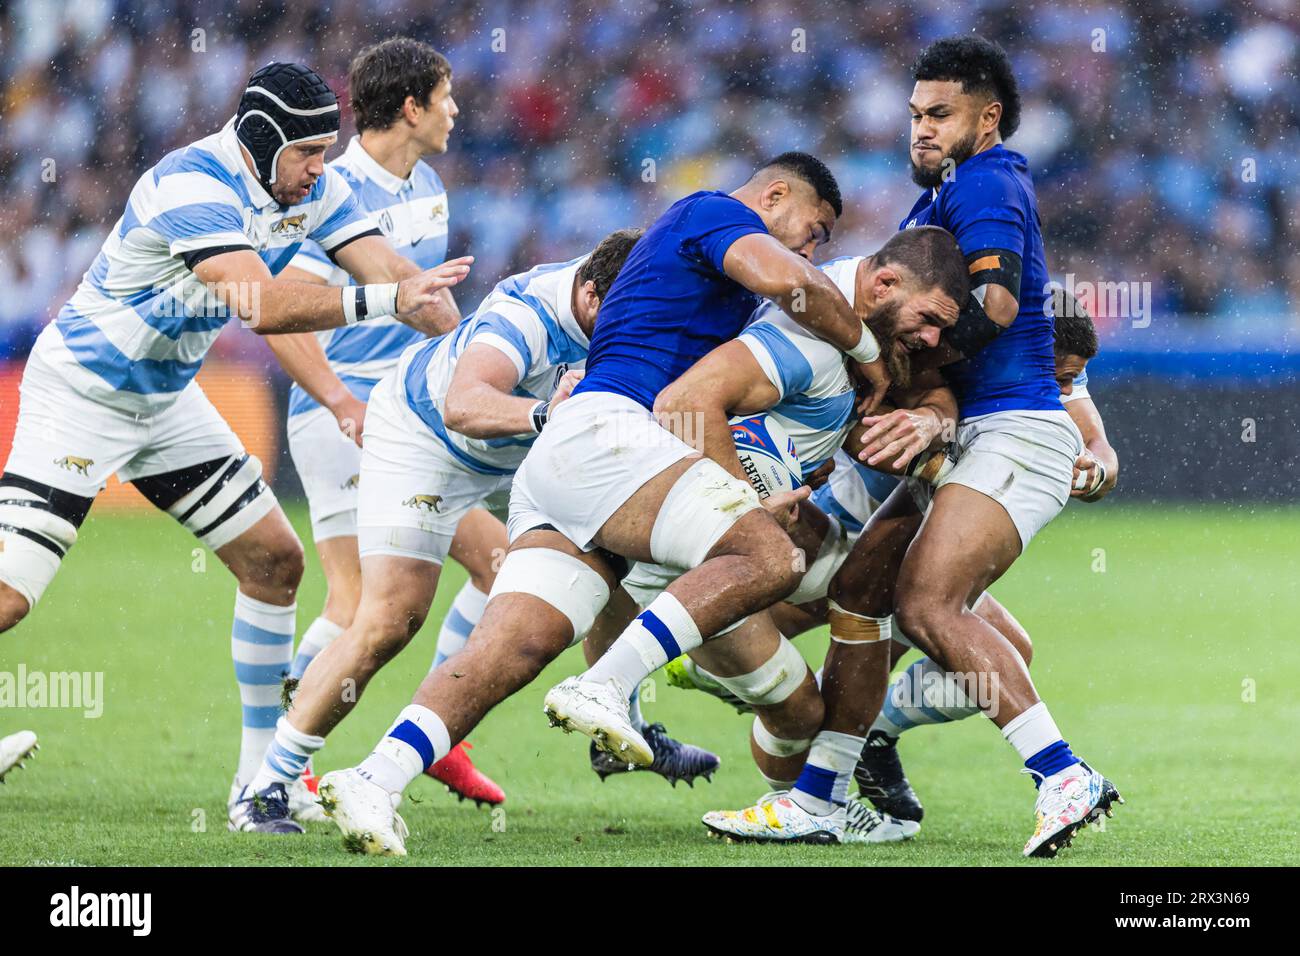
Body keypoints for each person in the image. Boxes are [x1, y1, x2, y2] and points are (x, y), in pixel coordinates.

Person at [314, 156, 966, 857]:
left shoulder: (719, 280)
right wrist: (865, 347)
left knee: (513, 648)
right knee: (768, 552)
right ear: (774, 195)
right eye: (812, 229)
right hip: (613, 434)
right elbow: (795, 283)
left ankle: (374, 778)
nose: (811, 248)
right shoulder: (712, 212)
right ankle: (609, 685)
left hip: (571, 460)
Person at [0, 61, 471, 835]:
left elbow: (387, 266)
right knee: (12, 597)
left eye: (328, 151)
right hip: (81, 396)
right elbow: (259, 303)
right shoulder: (191, 184)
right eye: (309, 153)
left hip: (163, 398)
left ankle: (256, 790)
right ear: (259, 139)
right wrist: (386, 300)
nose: (324, 168)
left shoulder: (307, 184)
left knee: (274, 563)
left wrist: (478, 348)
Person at [711, 37, 1122, 858]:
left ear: (988, 118)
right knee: (861, 596)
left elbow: (998, 305)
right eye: (914, 115)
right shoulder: (946, 194)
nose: (921, 130)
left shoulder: (988, 179)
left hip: (1011, 430)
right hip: (977, 438)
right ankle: (821, 799)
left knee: (929, 606)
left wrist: (904, 380)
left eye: (940, 115)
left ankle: (1061, 774)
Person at [241, 231, 660, 839]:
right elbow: (465, 406)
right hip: (426, 439)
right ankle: (269, 784)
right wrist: (551, 414)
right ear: (592, 298)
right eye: (626, 320)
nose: (638, 335)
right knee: (389, 619)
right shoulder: (527, 315)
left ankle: (618, 715)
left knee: (604, 559)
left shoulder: (629, 292)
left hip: (520, 455)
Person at [584, 230, 967, 844]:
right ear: (885, 283)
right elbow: (684, 402)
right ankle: (809, 791)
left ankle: (826, 784)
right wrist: (749, 508)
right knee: (801, 718)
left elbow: (922, 389)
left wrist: (931, 420)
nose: (931, 340)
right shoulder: (808, 333)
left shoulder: (859, 327)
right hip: (700, 553)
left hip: (765, 534)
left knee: (897, 592)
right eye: (928, 321)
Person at [261, 39, 499, 808]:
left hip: (409, 413)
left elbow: (425, 301)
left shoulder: (428, 184)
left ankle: (316, 754)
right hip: (349, 418)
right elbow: (281, 315)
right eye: (448, 95)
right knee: (443, 585)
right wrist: (339, 401)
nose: (457, 109)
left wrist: (473, 361)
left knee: (379, 601)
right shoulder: (334, 191)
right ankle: (291, 763)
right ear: (411, 106)